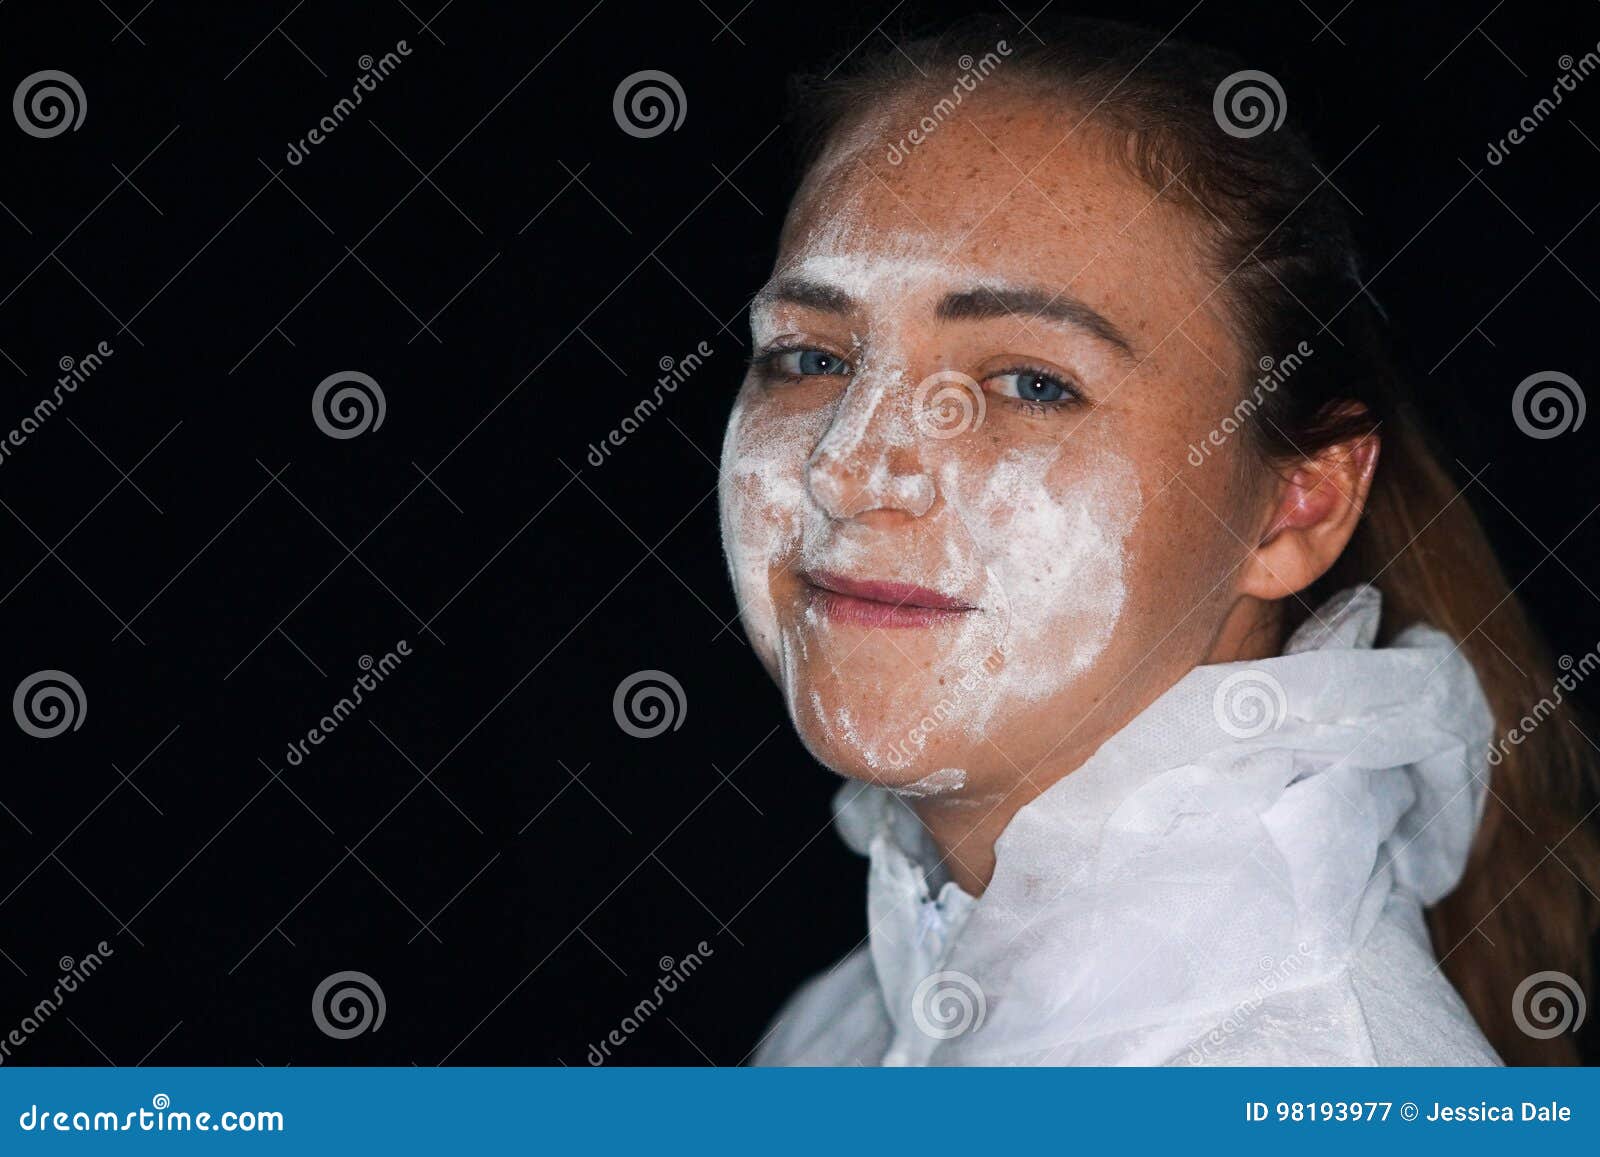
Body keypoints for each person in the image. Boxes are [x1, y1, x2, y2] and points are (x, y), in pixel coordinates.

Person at [717, 14, 1600, 1065]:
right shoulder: (844, 1024)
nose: (845, 468)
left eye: (1030, 383)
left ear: (1297, 505)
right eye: (810, 357)